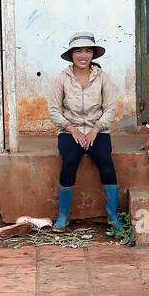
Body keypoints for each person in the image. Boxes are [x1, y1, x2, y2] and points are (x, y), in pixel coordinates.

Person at [47, 32, 123, 234]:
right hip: (69, 131)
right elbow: (54, 110)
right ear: (71, 54)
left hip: (98, 130)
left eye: (88, 50)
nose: (83, 55)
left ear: (93, 54)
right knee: (70, 161)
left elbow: (110, 109)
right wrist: (71, 129)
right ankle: (64, 216)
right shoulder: (62, 79)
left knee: (105, 160)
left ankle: (113, 216)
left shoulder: (102, 78)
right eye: (78, 51)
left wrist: (95, 129)